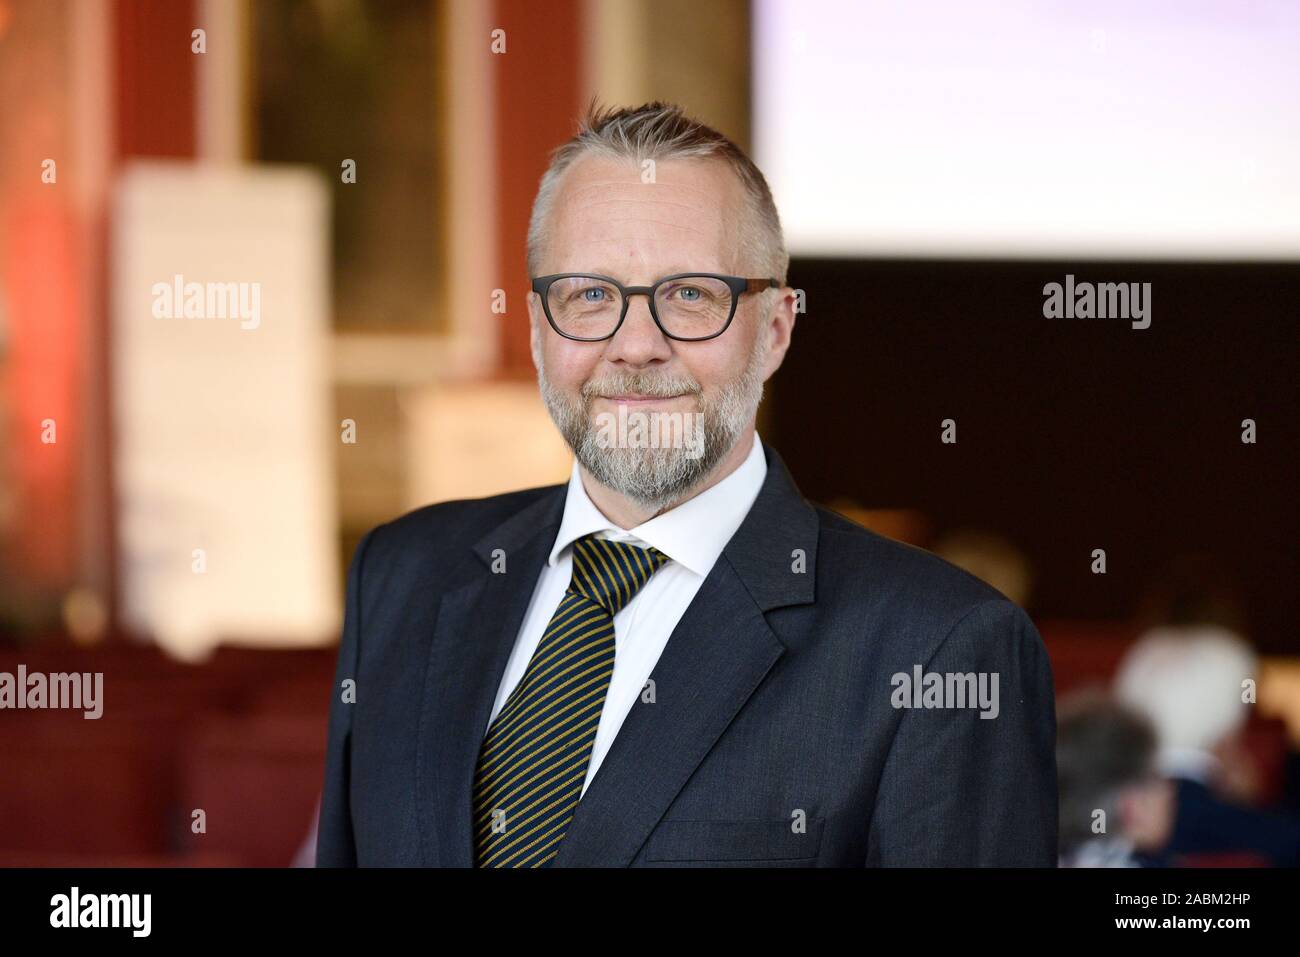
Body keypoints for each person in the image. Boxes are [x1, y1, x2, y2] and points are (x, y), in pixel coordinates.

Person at [316, 101, 1057, 867]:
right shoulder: (401, 574)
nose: (636, 345)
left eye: (692, 294)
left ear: (775, 330)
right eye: (591, 295)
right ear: (539, 329)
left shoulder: (941, 646)